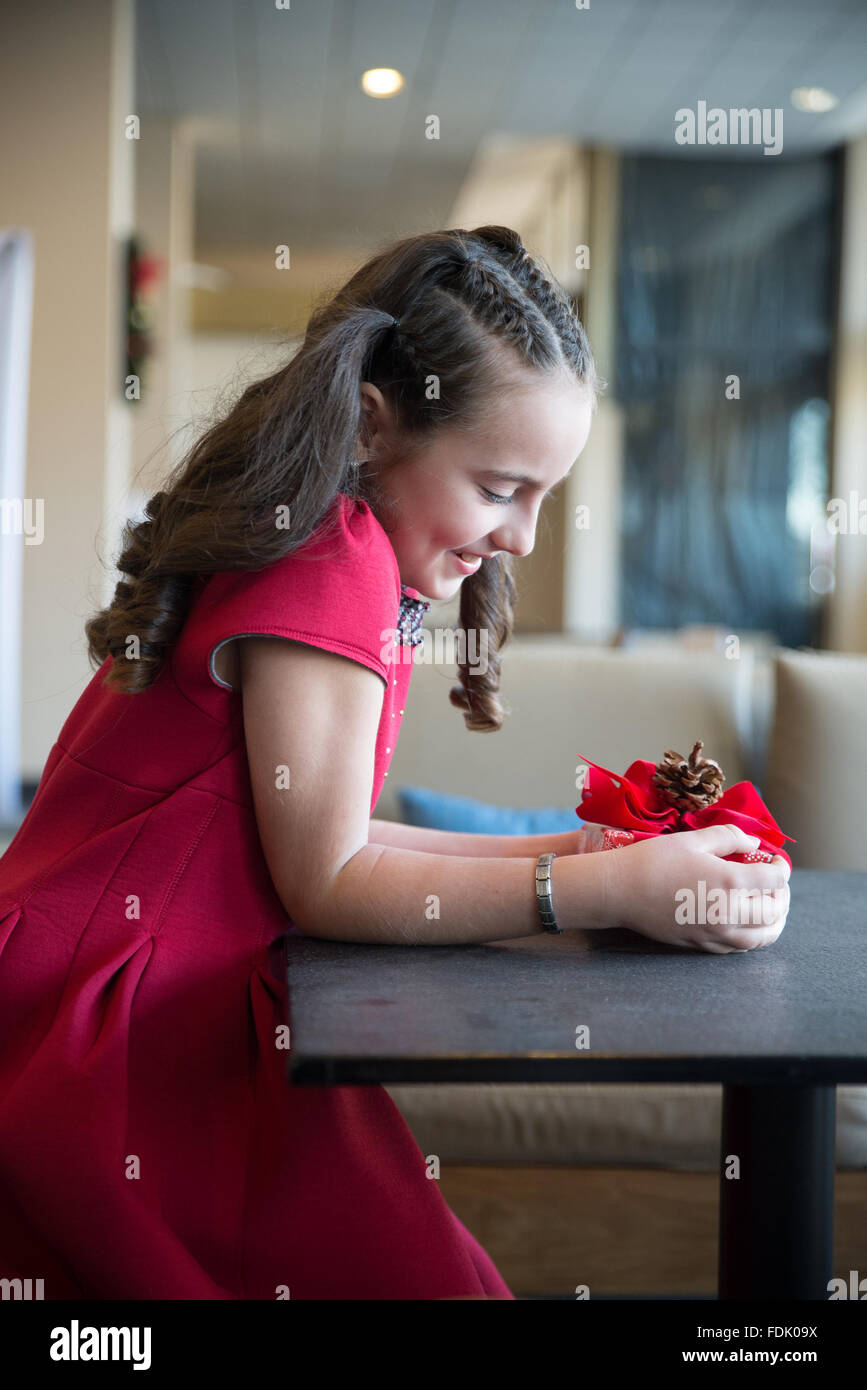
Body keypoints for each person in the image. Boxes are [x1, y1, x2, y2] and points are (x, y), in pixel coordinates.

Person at [0, 224, 790, 1301]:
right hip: (114, 1032)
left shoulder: (322, 537)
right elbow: (328, 881)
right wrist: (600, 885)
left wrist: (589, 850)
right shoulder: (334, 560)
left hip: (93, 987)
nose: (522, 537)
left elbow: (329, 836)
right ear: (374, 426)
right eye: (503, 486)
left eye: (545, 496)